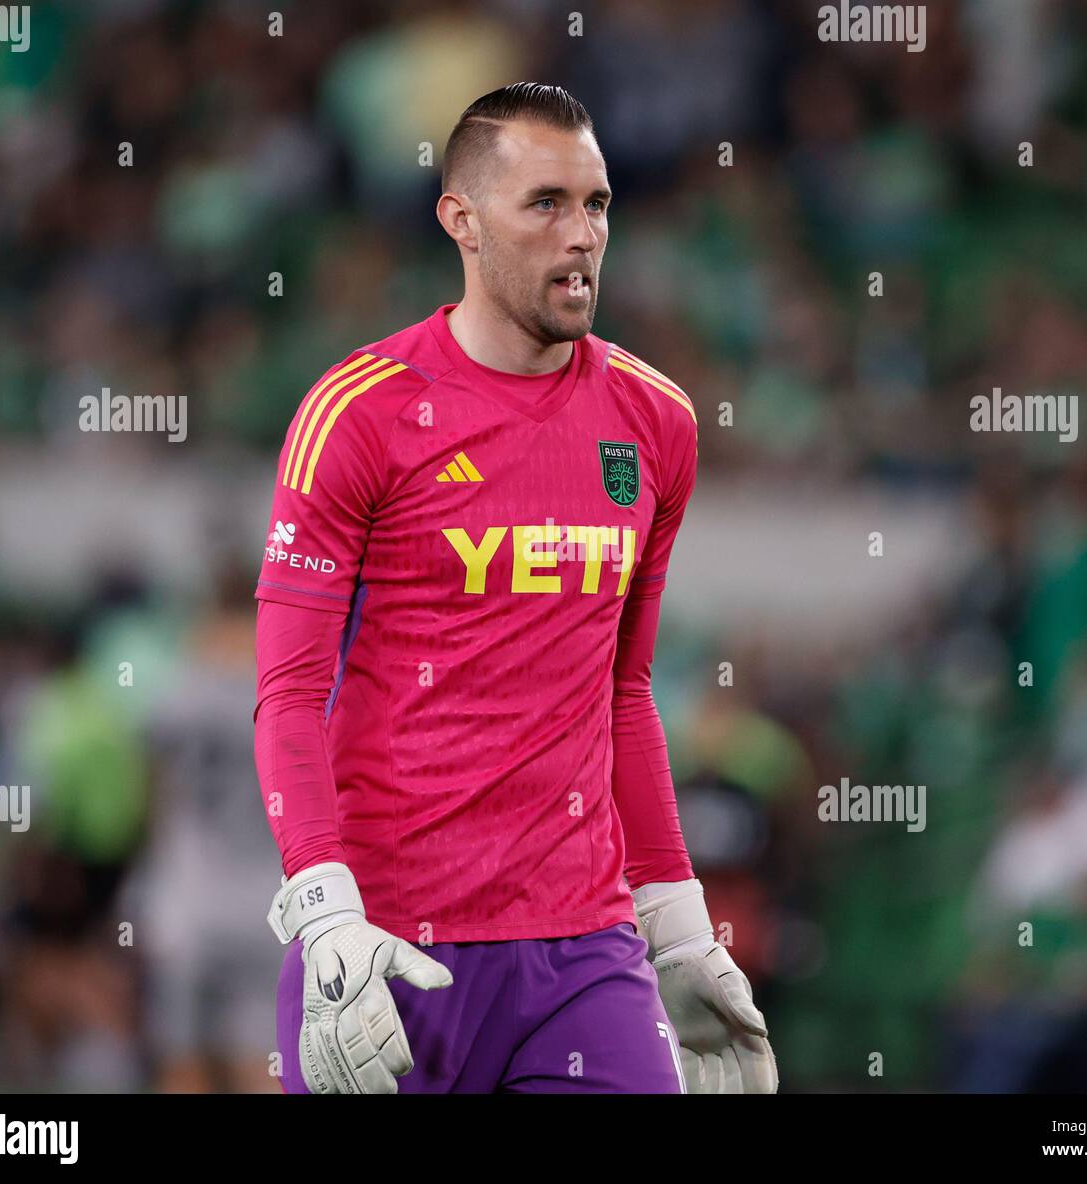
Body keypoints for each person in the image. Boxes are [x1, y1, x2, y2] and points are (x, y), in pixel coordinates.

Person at [254, 82, 777, 1094]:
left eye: (597, 204)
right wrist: (323, 909)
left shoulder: (656, 419)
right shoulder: (357, 413)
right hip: (385, 949)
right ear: (461, 220)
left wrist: (674, 925)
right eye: (544, 203)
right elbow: (285, 698)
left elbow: (623, 692)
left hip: (584, 955)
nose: (581, 234)